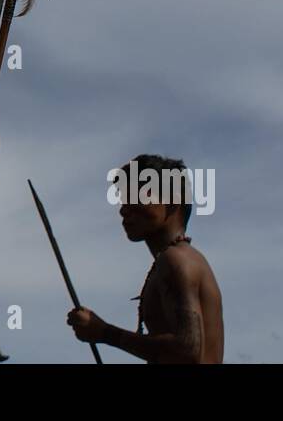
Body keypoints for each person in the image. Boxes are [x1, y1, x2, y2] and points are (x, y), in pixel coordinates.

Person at [66, 154, 223, 363]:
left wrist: (104, 332)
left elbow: (187, 350)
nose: (124, 209)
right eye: (123, 199)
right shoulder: (180, 259)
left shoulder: (176, 261)